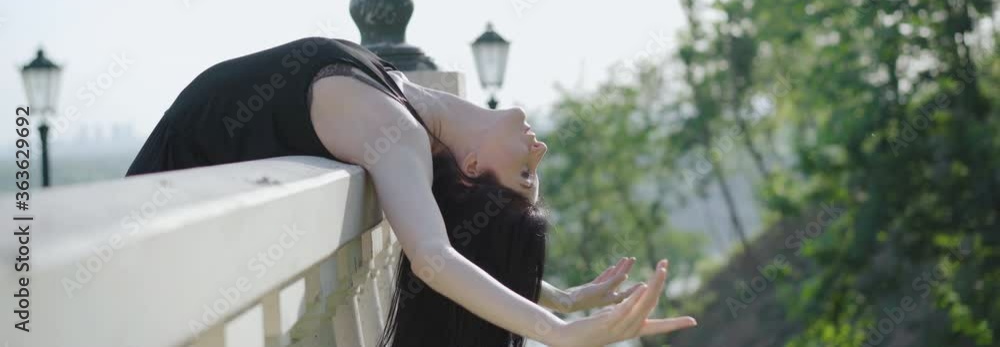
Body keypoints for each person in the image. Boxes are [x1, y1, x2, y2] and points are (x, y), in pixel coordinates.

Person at [125, 37, 697, 346]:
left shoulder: (397, 135)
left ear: (471, 167)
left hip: (151, 236)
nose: (540, 153)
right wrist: (564, 301)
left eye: (525, 175)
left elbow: (434, 254)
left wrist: (558, 331)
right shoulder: (407, 112)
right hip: (159, 205)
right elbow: (449, 237)